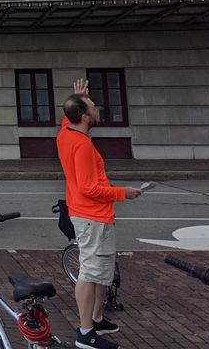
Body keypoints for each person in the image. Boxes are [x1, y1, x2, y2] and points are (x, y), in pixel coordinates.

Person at [57, 78, 142, 349]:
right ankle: (85, 333)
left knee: (101, 271)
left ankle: (96, 319)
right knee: (90, 273)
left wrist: (77, 96)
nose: (98, 109)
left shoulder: (67, 133)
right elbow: (88, 187)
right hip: (91, 216)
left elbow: (66, 119)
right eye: (93, 106)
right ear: (84, 116)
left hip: (94, 215)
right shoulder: (81, 145)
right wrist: (123, 193)